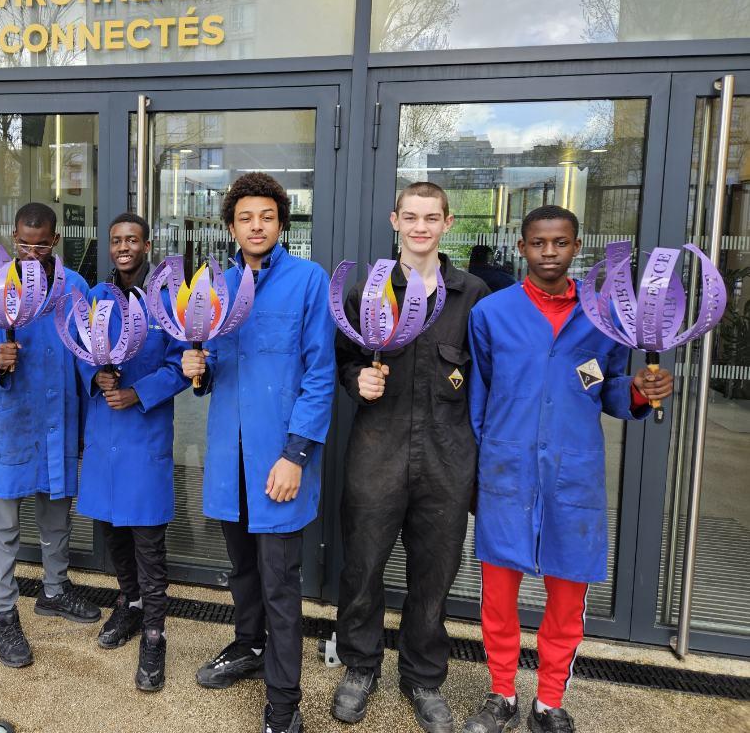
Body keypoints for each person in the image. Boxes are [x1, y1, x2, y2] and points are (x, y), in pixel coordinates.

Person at [463, 206, 672, 733]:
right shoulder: (492, 314)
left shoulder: (604, 318)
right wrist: (484, 463)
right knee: (499, 595)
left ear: (577, 247)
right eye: (538, 243)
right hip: (506, 472)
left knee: (566, 597)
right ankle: (502, 693)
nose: (549, 252)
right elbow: (479, 399)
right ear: (521, 247)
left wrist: (640, 394)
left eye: (559, 243)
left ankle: (549, 700)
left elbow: (614, 392)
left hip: (573, 474)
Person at [332, 182, 489, 733]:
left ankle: (423, 677)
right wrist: (359, 380)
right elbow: (343, 361)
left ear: (448, 224)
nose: (421, 227)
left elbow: (489, 377)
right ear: (394, 220)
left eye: (432, 217)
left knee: (434, 572)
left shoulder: (474, 296)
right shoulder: (367, 292)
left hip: (447, 457)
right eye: (411, 216)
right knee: (363, 566)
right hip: (377, 452)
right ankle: (359, 667)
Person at [181, 172, 335, 733]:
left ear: (281, 222)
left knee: (279, 583)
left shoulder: (307, 281)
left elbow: (320, 374)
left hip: (279, 462)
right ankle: (248, 646)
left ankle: (284, 703)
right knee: (242, 570)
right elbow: (218, 367)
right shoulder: (215, 287)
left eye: (266, 216)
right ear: (231, 226)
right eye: (246, 217)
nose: (256, 225)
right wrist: (197, 372)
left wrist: (296, 455)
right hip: (230, 459)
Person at [0, 202, 100, 669]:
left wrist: (90, 411)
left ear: (56, 241)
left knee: (55, 517)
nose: (31, 251)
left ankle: (55, 589)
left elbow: (88, 355)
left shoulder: (76, 288)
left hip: (59, 419)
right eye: (23, 242)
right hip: (10, 421)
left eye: (40, 244)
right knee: (2, 526)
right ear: (12, 236)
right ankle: (2, 613)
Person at [74, 212, 189, 692]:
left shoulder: (167, 299)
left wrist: (139, 393)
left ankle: (155, 636)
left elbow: (184, 364)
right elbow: (79, 353)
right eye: (116, 240)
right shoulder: (95, 299)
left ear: (147, 244)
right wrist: (97, 380)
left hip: (143, 438)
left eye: (132, 240)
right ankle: (131, 605)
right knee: (113, 533)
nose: (123, 247)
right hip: (104, 437)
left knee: (147, 542)